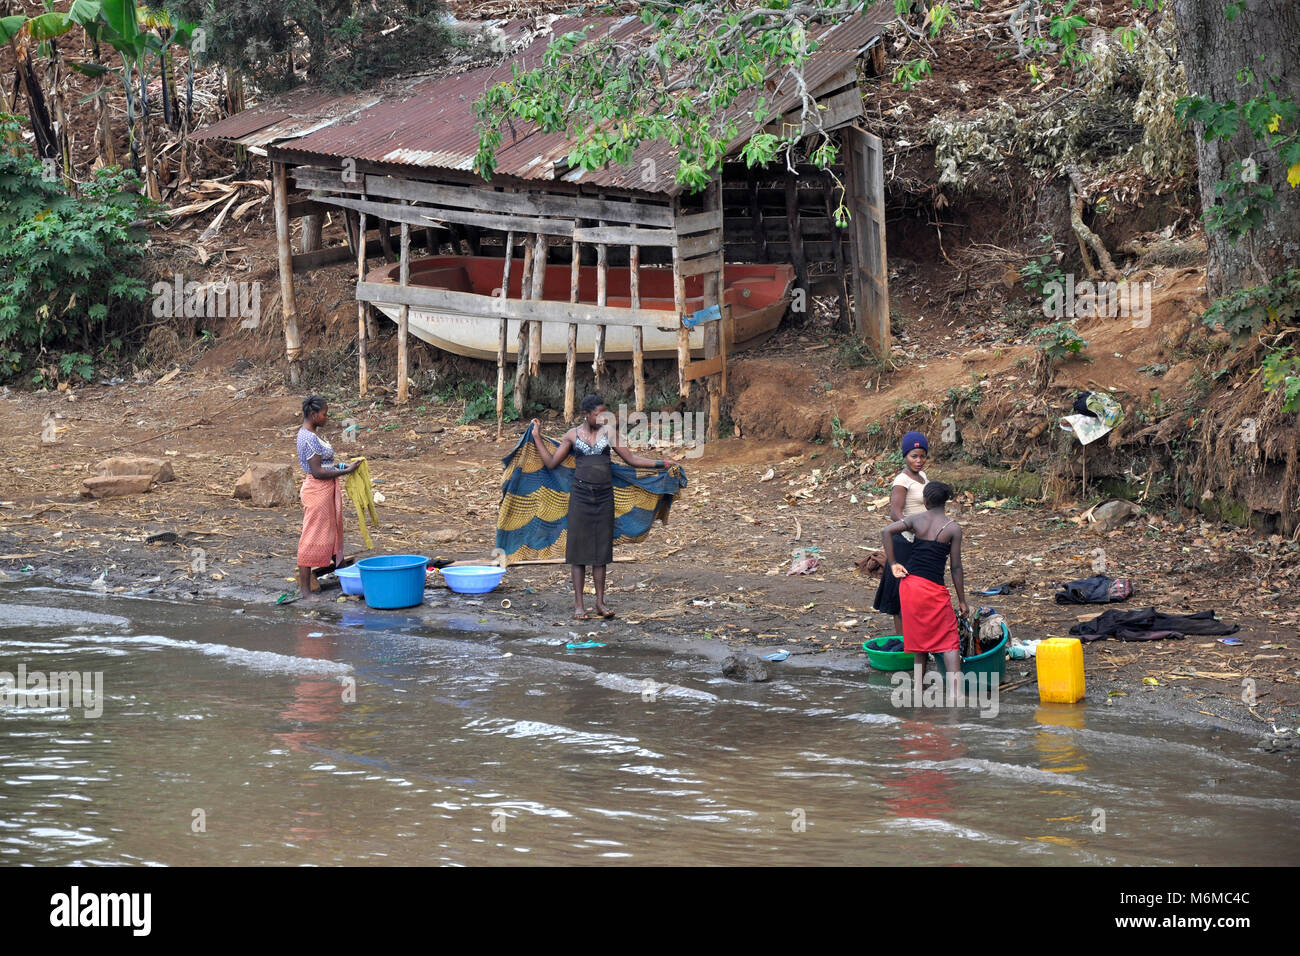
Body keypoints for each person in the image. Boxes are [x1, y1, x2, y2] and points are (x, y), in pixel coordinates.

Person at [530, 394, 679, 620]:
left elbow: (632, 460)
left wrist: (663, 464)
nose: (602, 419)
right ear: (586, 415)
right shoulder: (571, 435)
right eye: (598, 415)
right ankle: (579, 606)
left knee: (601, 552)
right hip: (580, 497)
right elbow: (551, 463)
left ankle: (600, 602)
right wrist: (536, 437)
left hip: (604, 497)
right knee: (578, 553)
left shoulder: (608, 434)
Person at [881, 480, 969, 686]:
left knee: (918, 641)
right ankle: (956, 696)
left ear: (925, 500)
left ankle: (918, 691)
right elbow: (956, 568)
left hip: (910, 586)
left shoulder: (915, 519)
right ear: (945, 501)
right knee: (949, 640)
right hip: (933, 589)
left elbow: (886, 532)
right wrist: (962, 601)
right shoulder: (953, 528)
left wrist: (893, 563)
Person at [295, 395, 359, 599]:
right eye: (324, 414)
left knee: (333, 535)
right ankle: (306, 592)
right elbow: (317, 472)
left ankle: (345, 582)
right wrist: (346, 472)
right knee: (312, 537)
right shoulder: (308, 438)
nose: (327, 417)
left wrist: (339, 467)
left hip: (325, 490)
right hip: (318, 492)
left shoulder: (312, 434)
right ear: (313, 415)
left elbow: (325, 465)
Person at [873, 431, 930, 635]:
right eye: (914, 456)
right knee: (901, 595)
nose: (919, 460)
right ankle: (904, 644)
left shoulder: (922, 476)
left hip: (921, 540)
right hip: (905, 542)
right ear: (905, 456)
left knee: (917, 592)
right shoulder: (902, 480)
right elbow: (895, 513)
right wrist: (912, 526)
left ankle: (917, 641)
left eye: (922, 455)